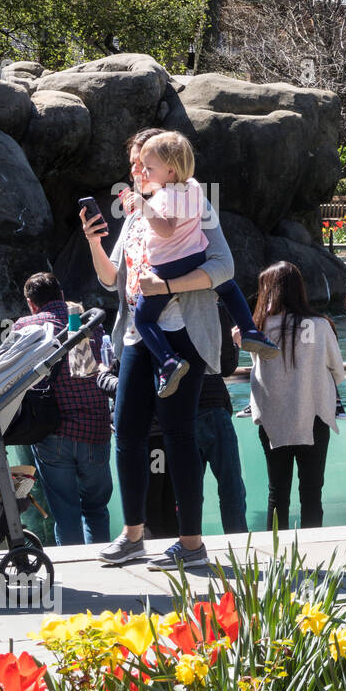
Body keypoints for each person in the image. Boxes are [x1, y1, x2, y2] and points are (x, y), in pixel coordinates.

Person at [88, 128, 234, 570]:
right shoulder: (136, 215)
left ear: (167, 165)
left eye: (141, 163)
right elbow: (111, 278)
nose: (134, 171)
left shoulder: (195, 202)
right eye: (133, 163)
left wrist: (168, 284)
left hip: (181, 333)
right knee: (126, 432)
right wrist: (94, 240)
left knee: (179, 434)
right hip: (136, 334)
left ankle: (191, 544)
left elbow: (224, 267)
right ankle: (133, 536)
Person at [124, 131, 278, 397]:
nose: (141, 172)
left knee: (143, 317)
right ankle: (250, 329)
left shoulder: (162, 197)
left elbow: (167, 229)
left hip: (168, 268)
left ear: (169, 170)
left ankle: (169, 361)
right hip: (196, 257)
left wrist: (143, 207)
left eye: (147, 167)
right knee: (227, 286)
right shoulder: (194, 188)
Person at [11, 273, 112, 546]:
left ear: (32, 304)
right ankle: (102, 561)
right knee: (96, 509)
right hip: (95, 428)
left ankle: (75, 572)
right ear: (61, 295)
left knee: (66, 514)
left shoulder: (24, 326)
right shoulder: (88, 322)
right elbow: (105, 363)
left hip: (50, 432)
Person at [246, 261, 345, 531]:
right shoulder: (321, 325)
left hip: (273, 420)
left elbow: (256, 363)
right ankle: (314, 556)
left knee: (277, 494)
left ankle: (277, 558)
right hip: (313, 417)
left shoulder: (259, 328)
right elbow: (338, 370)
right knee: (312, 493)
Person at [196, 302, 248, 535]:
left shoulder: (163, 305)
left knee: (187, 492)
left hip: (178, 411)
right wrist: (234, 343)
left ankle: (188, 545)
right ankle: (238, 548)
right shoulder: (214, 307)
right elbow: (226, 366)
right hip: (214, 404)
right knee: (231, 488)